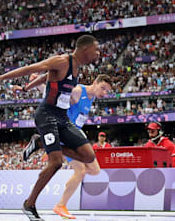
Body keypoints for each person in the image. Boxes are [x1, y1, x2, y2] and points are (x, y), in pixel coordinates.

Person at [0, 34, 101, 221]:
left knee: (88, 155)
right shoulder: (62, 61)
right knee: (56, 162)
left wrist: (27, 88)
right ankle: (29, 204)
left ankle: (39, 143)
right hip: (47, 115)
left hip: (62, 116)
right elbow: (32, 68)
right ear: (85, 49)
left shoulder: (77, 67)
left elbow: (46, 77)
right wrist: (0, 77)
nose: (99, 53)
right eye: (96, 49)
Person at [18, 74, 113, 219]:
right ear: (94, 83)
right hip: (64, 134)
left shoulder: (91, 97)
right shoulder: (78, 91)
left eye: (107, 91)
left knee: (94, 170)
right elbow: (53, 94)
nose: (104, 93)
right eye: (103, 88)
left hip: (74, 136)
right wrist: (37, 83)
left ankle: (41, 143)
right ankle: (60, 205)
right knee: (80, 170)